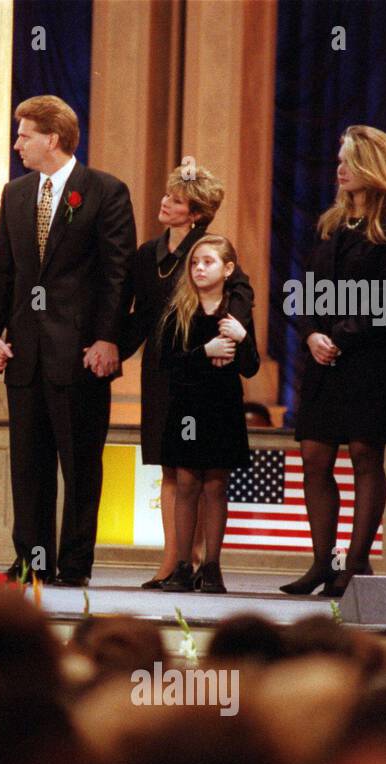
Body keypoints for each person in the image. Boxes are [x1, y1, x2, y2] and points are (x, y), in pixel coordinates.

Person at [0, 95, 136, 587]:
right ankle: (33, 560)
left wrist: (108, 340)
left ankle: (74, 564)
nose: (16, 143)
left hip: (83, 356)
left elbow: (118, 275)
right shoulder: (16, 193)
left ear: (52, 138)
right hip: (25, 352)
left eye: (24, 134)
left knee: (80, 464)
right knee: (29, 464)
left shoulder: (106, 191)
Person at [282, 126, 386, 596]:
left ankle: (357, 564)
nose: (339, 168)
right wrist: (313, 335)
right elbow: (305, 290)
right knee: (314, 455)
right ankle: (323, 561)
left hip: (369, 356)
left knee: (364, 455)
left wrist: (339, 336)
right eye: (339, 160)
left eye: (348, 160)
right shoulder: (330, 222)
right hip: (323, 355)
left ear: (372, 166)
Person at [117, 164, 253, 588]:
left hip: (208, 371)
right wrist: (110, 352)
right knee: (172, 469)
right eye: (167, 196)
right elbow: (137, 317)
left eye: (176, 199)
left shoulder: (208, 251)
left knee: (200, 471)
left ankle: (198, 562)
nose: (165, 203)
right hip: (164, 367)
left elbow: (242, 291)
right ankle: (175, 561)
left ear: (195, 213)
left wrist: (232, 334)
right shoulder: (147, 254)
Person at [157, 235, 259, 593]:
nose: (199, 268)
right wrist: (205, 351)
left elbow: (251, 368)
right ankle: (184, 565)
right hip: (187, 408)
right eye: (195, 263)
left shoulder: (236, 313)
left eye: (208, 262)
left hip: (223, 406)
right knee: (187, 482)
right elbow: (165, 363)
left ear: (228, 269)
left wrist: (242, 337)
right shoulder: (179, 310)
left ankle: (212, 567)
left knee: (216, 484)